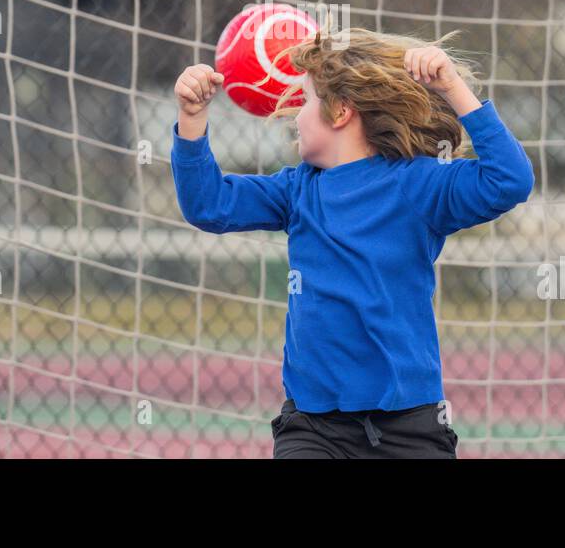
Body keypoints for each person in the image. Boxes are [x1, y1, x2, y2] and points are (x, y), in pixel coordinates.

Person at [171, 28, 535, 458]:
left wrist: (453, 87)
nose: (295, 115)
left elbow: (509, 180)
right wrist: (192, 120)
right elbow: (209, 205)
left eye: (305, 100)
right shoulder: (297, 190)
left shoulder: (420, 184)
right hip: (312, 427)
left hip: (410, 426)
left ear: (341, 111)